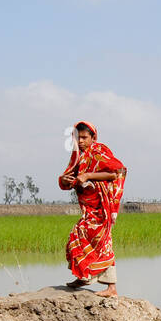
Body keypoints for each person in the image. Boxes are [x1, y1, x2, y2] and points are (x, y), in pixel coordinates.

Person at [59, 121, 126, 297]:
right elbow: (71, 178)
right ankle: (83, 276)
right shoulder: (78, 157)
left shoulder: (100, 152)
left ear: (93, 137)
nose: (80, 141)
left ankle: (111, 288)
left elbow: (115, 172)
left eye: (84, 137)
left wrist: (89, 175)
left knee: (103, 242)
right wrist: (66, 180)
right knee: (78, 236)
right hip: (88, 208)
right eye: (78, 137)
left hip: (102, 208)